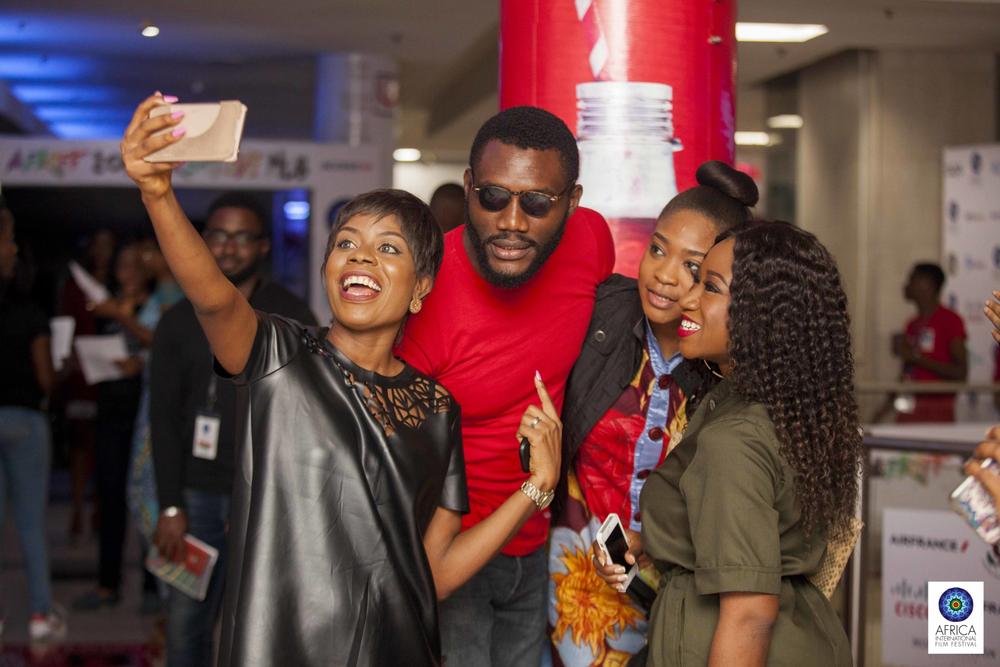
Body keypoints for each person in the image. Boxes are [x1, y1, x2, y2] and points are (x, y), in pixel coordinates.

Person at [121, 92, 566, 666]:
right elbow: (213, 298)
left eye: (387, 249)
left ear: (421, 287)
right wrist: (157, 193)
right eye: (346, 245)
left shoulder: (435, 408)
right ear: (328, 266)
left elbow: (435, 575)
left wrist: (536, 487)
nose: (361, 259)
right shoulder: (279, 357)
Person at [397, 105, 615, 666]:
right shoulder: (422, 294)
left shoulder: (590, 241)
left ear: (573, 200)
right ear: (469, 188)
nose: (512, 222)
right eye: (493, 197)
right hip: (454, 553)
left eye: (538, 203)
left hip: (545, 539)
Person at [598, 221, 861, 665]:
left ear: (763, 314)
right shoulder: (779, 407)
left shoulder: (735, 439)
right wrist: (652, 541)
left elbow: (748, 616)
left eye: (711, 287)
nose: (688, 297)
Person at [549, 162, 756, 666]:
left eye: (692, 266)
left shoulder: (731, 367)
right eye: (658, 248)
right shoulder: (602, 314)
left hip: (686, 585)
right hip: (579, 577)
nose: (662, 274)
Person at [149, 192, 315, 667]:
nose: (228, 248)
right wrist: (170, 505)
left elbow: (305, 419)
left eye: (242, 238)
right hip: (195, 497)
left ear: (263, 246)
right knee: (185, 623)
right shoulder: (178, 322)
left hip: (264, 495)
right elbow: (162, 419)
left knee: (261, 629)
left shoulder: (292, 316)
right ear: (202, 241)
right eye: (218, 236)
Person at [73, 241, 156, 611]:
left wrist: (136, 360)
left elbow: (156, 343)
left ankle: (154, 587)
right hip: (109, 408)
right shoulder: (104, 307)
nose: (129, 271)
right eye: (123, 264)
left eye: (136, 264)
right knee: (109, 496)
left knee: (147, 497)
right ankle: (108, 584)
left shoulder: (153, 304)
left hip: (146, 412)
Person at [0, 201, 65, 641]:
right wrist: (57, 375)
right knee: (30, 522)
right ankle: (40, 614)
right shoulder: (28, 311)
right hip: (24, 418)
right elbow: (45, 378)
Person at [56, 228, 115, 541]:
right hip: (82, 370)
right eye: (99, 245)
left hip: (112, 371)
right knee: (81, 442)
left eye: (109, 245)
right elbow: (66, 324)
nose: (103, 252)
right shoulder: (76, 286)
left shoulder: (119, 283)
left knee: (103, 445)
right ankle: (79, 507)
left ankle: (98, 508)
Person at [877, 263, 968, 423]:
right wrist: (878, 415)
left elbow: (961, 372)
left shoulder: (950, 320)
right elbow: (905, 375)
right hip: (908, 416)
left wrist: (917, 358)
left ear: (928, 284)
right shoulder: (911, 324)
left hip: (936, 419)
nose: (906, 285)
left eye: (912, 279)